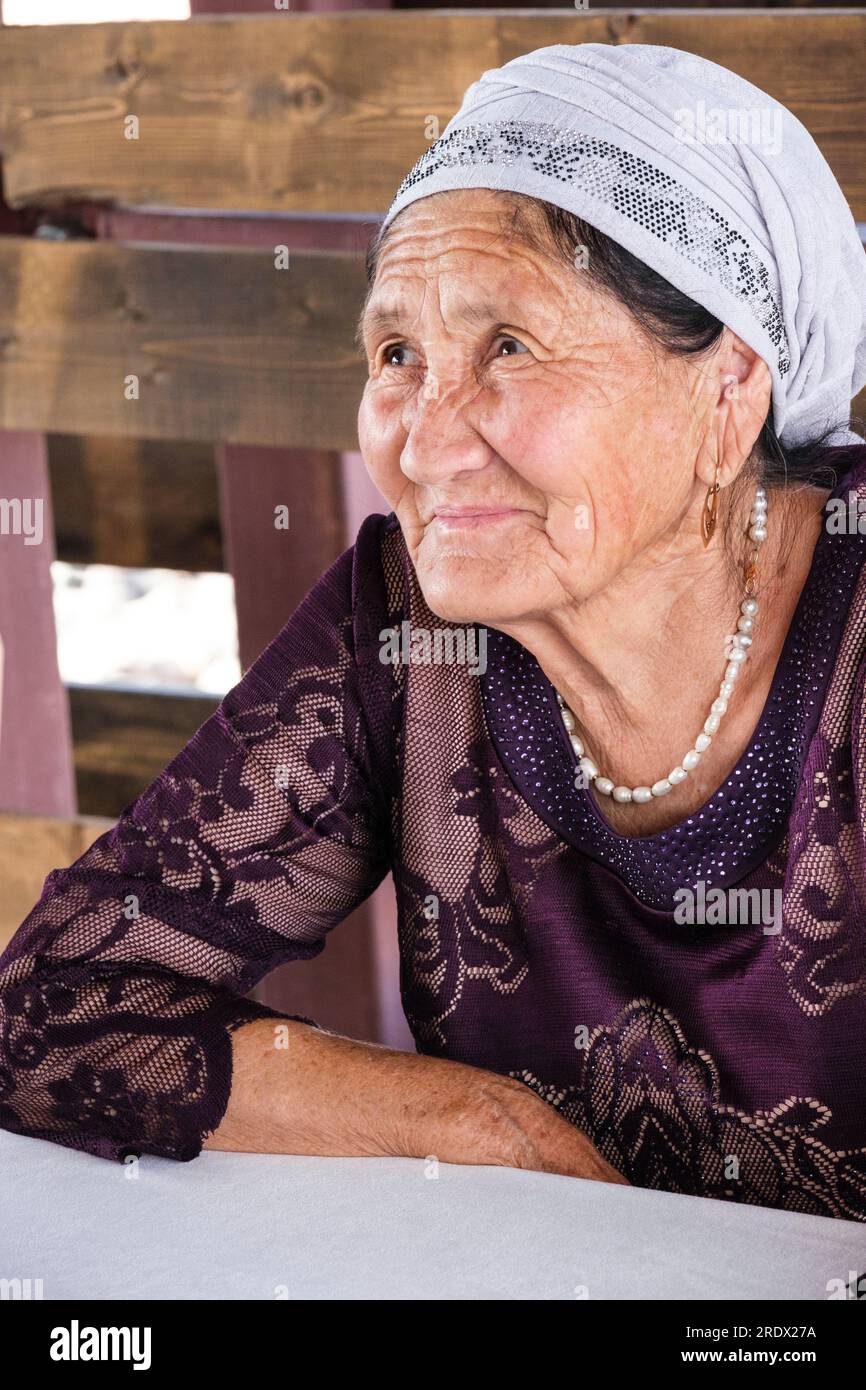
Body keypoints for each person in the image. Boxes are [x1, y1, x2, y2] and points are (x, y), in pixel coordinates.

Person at [2, 43, 866, 1219]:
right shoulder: (407, 626)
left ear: (726, 396)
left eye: (507, 346)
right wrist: (486, 1124)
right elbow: (61, 999)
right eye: (397, 354)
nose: (423, 440)